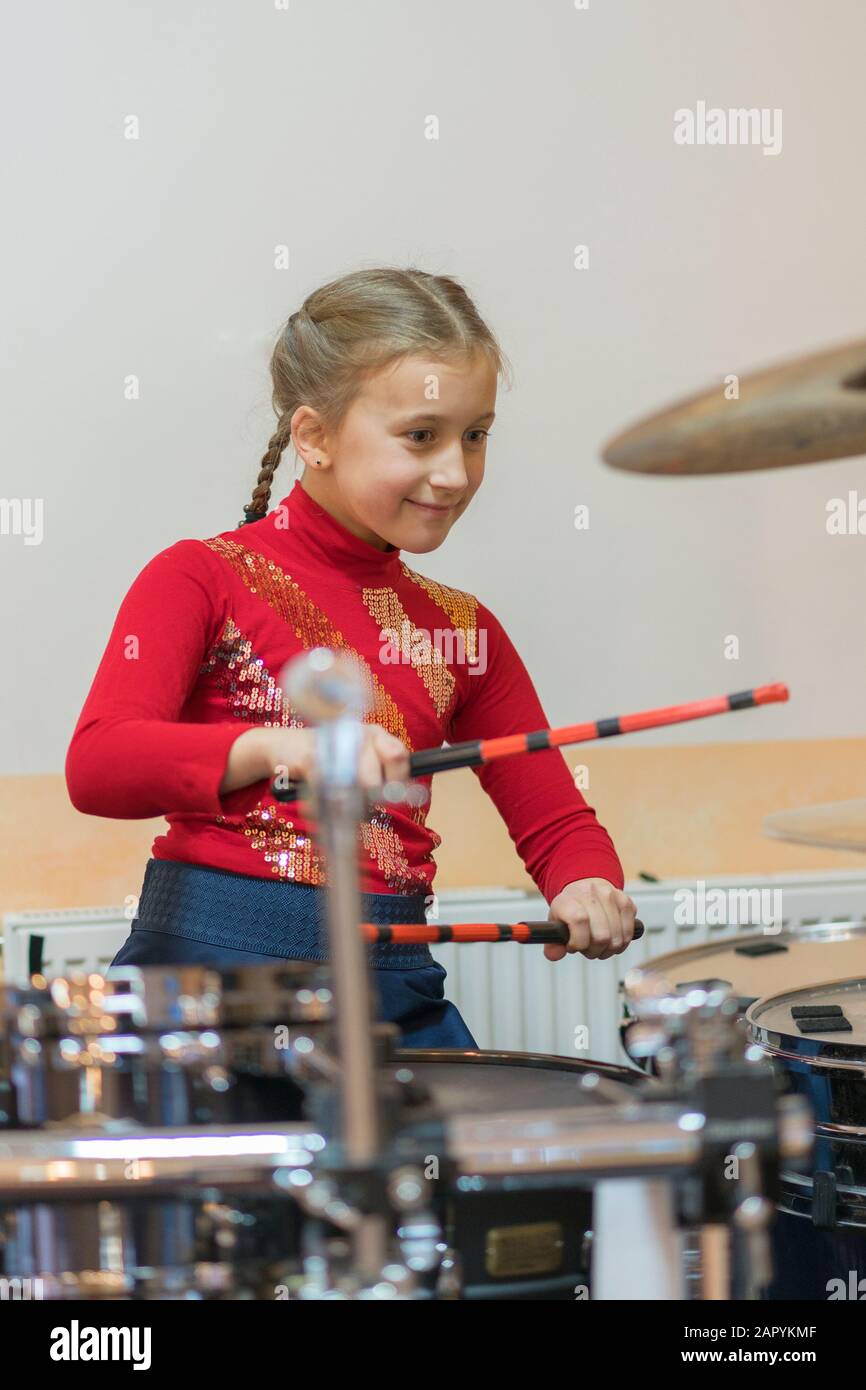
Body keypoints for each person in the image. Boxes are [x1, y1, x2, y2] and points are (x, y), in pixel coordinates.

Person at [66, 266, 637, 1048]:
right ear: (315, 436)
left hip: (389, 989)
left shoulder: (466, 629)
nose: (456, 472)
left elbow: (555, 815)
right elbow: (99, 764)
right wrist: (283, 745)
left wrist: (587, 883)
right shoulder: (201, 576)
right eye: (421, 436)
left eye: (476, 435)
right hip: (204, 984)